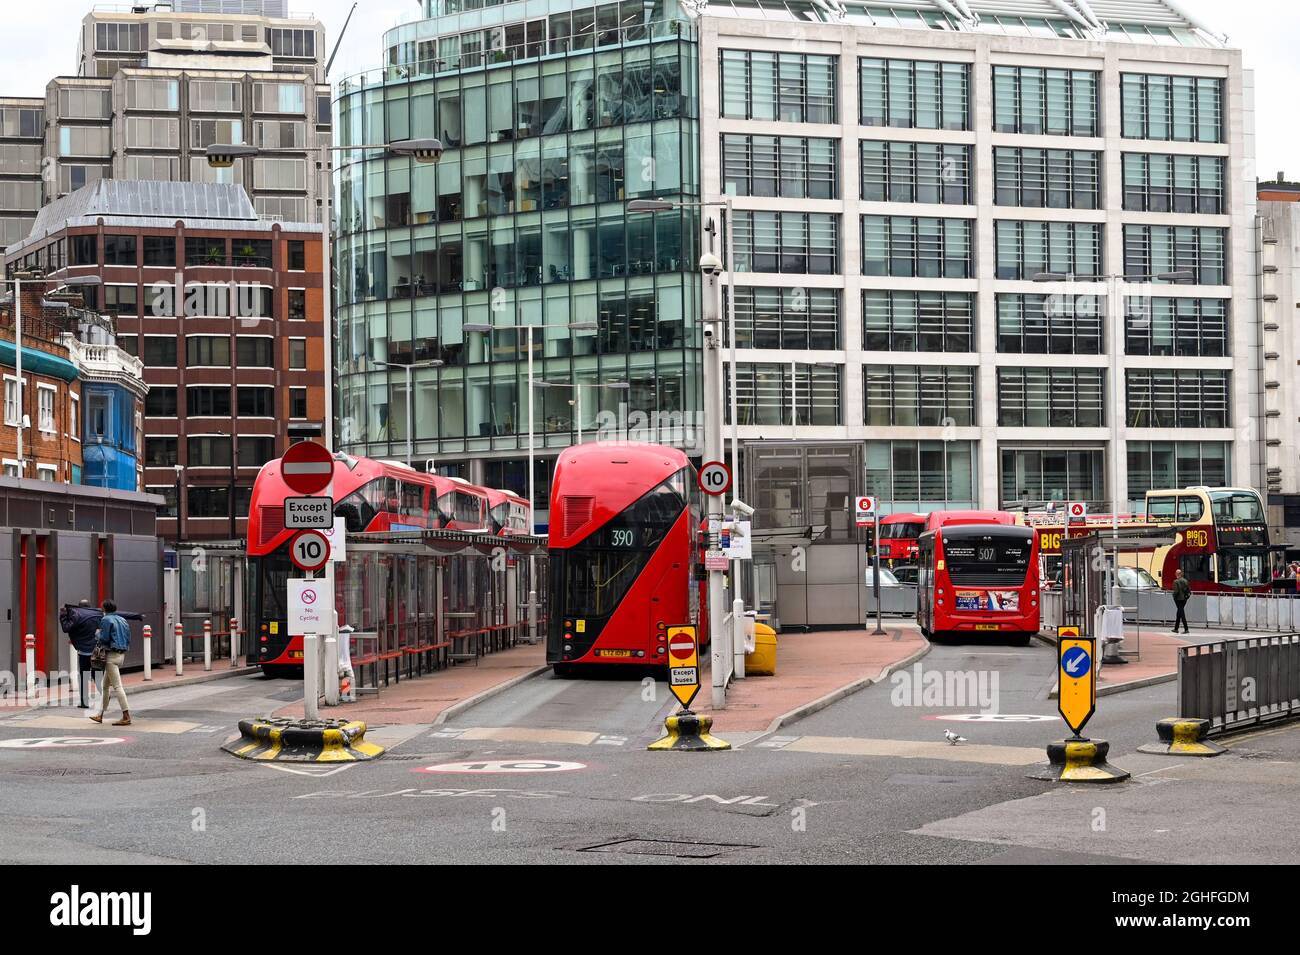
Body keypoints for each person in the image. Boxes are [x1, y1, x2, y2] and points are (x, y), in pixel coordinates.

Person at [89, 600, 132, 727]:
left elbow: (104, 638)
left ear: (104, 609)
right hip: (121, 655)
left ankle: (126, 715)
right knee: (105, 686)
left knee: (117, 686)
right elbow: (128, 637)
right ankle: (100, 714)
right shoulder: (122, 619)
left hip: (110, 656)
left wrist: (97, 633)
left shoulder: (106, 619)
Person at [1171, 568, 1192, 635]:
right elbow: (1189, 590)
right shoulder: (1185, 581)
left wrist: (1173, 596)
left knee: (1181, 613)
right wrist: (1186, 597)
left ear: (1177, 574)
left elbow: (1176, 592)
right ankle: (1176, 628)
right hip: (1184, 599)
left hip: (1178, 599)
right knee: (1179, 613)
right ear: (1181, 574)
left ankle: (1186, 629)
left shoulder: (1176, 581)